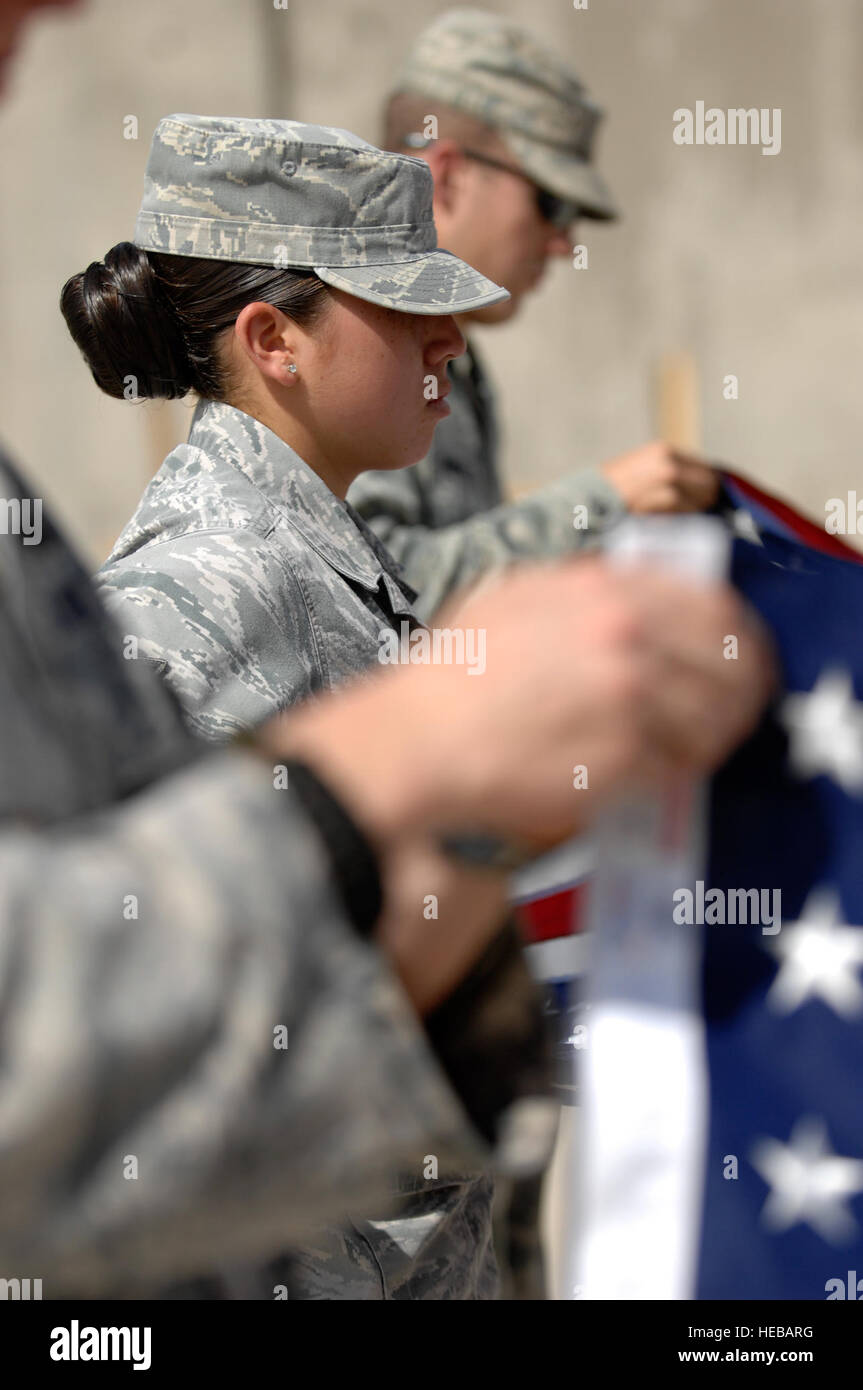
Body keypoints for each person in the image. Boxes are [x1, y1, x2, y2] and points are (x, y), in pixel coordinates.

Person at [0, 0, 772, 1300]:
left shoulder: (315, 549)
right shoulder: (201, 588)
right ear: (273, 341)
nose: (446, 342)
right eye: (399, 308)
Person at [347, 7, 720, 620]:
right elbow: (372, 591)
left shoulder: (439, 344)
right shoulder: (361, 335)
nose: (564, 243)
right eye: (550, 203)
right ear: (448, 176)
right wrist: (605, 502)